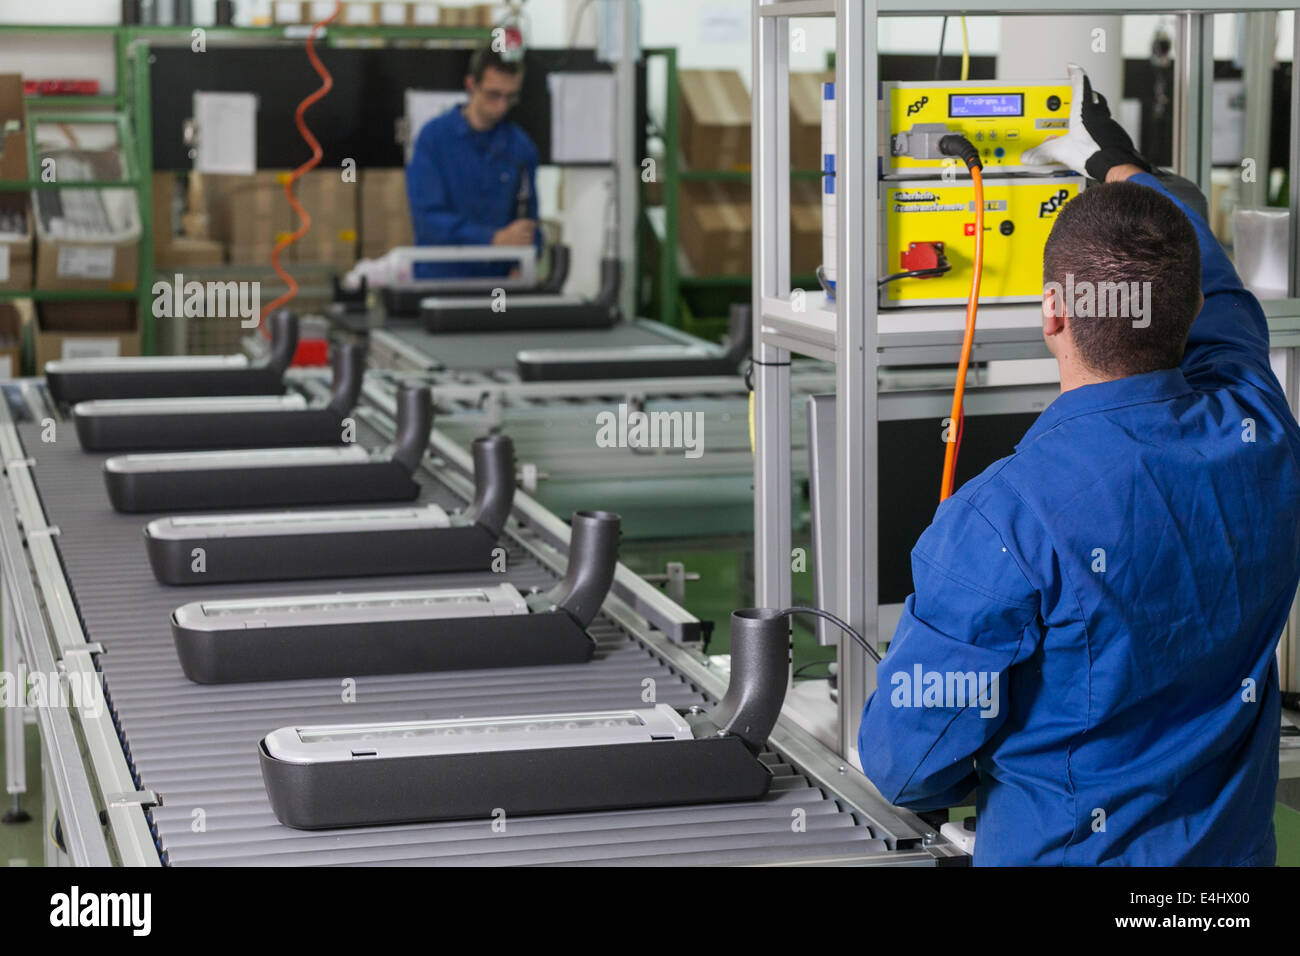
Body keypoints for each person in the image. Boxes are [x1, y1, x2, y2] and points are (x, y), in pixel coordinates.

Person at [857, 65, 1300, 866]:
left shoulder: (1004, 520)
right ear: (1191, 311)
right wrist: (1123, 167)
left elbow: (907, 764)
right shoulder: (1261, 430)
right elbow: (1228, 300)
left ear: (1051, 311)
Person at [405, 46, 540, 280]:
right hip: (441, 279)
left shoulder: (521, 147)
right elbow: (427, 219)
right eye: (493, 95)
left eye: (510, 97)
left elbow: (530, 219)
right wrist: (491, 239)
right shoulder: (434, 139)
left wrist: (526, 258)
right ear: (470, 85)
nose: (501, 106)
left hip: (498, 282)